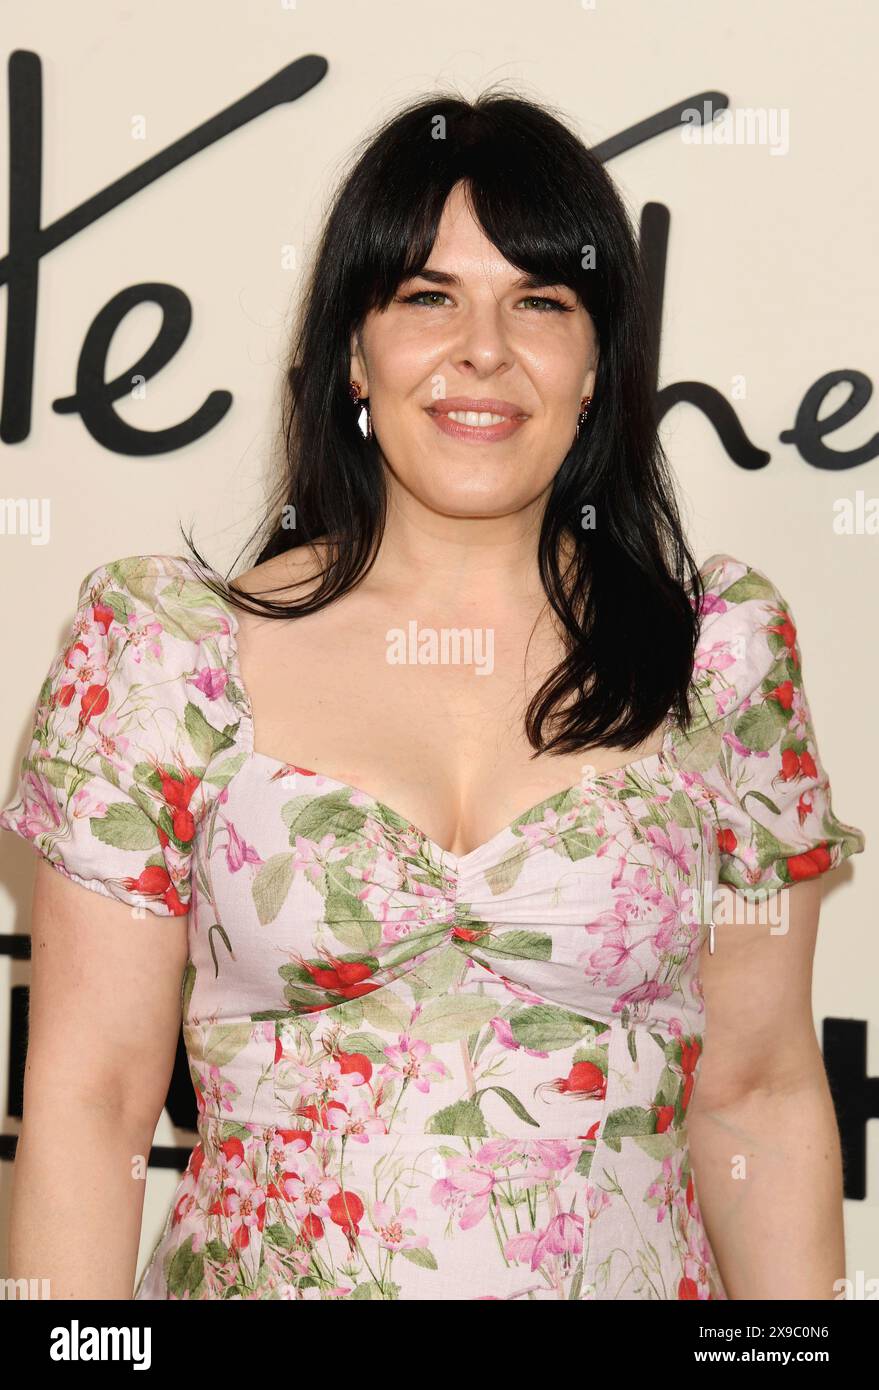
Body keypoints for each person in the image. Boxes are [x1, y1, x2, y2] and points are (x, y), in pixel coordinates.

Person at [0, 91, 866, 1301]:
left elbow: (761, 1092)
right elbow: (89, 1105)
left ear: (597, 366)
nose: (484, 351)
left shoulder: (716, 659)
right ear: (355, 349)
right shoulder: (168, 654)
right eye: (427, 297)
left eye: (541, 303)